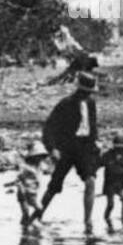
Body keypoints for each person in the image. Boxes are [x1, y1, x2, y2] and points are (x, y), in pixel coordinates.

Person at [34, 71, 100, 228]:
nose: (87, 95)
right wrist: (53, 149)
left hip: (85, 147)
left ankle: (88, 221)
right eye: (84, 92)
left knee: (90, 180)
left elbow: (92, 125)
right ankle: (37, 215)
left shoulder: (91, 103)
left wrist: (96, 143)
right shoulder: (66, 104)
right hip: (67, 148)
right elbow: (49, 127)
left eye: (89, 92)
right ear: (79, 89)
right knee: (55, 185)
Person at [100, 132, 123, 230]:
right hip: (110, 184)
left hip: (121, 184)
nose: (121, 151)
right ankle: (107, 218)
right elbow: (100, 163)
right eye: (119, 148)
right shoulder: (108, 155)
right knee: (110, 204)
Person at [15, 138, 50, 227]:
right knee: (27, 211)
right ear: (33, 156)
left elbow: (48, 170)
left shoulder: (40, 165)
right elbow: (19, 177)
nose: (39, 158)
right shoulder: (26, 167)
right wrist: (19, 185)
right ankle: (27, 224)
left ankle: (28, 224)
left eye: (41, 156)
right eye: (38, 156)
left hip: (32, 193)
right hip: (23, 192)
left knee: (39, 208)